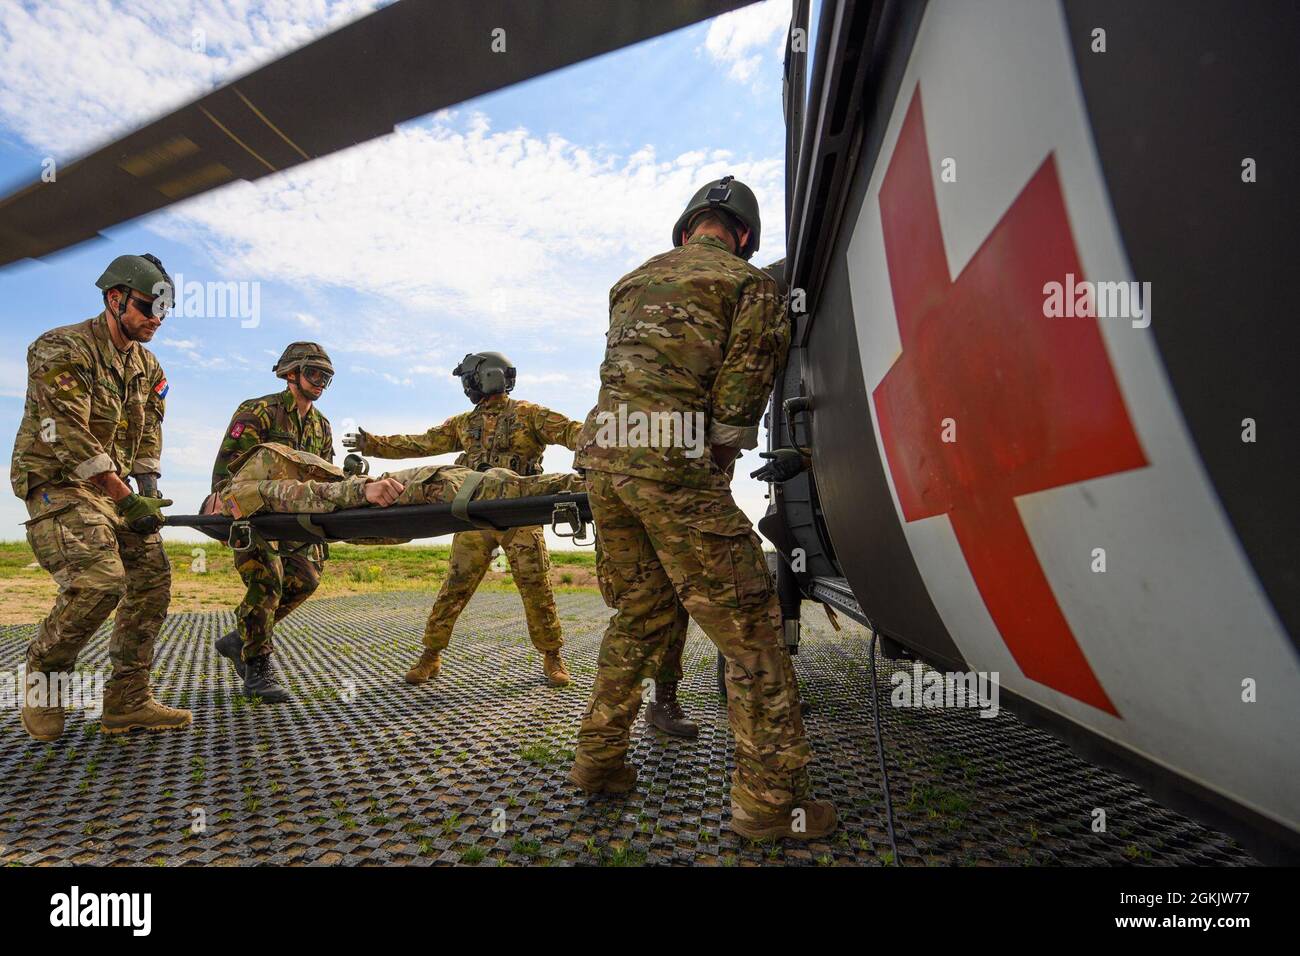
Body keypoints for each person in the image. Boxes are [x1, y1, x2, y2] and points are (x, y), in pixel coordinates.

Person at [569, 176, 836, 840]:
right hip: (670, 461)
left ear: (687, 227)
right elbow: (741, 394)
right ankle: (771, 806)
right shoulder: (751, 286)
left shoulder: (630, 281)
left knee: (640, 616)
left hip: (603, 460)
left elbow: (629, 372)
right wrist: (715, 466)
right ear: (743, 236)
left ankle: (598, 763)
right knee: (750, 631)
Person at [11, 253, 190, 740]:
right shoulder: (60, 347)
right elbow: (64, 432)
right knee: (99, 582)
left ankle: (127, 700)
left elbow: (149, 433)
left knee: (151, 579)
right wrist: (122, 494)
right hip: (59, 482)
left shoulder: (149, 366)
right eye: (149, 306)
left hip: (116, 492)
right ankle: (44, 680)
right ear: (115, 299)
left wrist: (147, 495)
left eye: (164, 310)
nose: (157, 318)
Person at [343, 352, 583, 687]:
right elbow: (422, 443)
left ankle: (552, 657)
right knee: (455, 586)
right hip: (474, 514)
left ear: (484, 378)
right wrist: (371, 443)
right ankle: (430, 655)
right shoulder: (463, 423)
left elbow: (574, 433)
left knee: (535, 586)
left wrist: (591, 457)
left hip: (520, 513)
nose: (466, 385)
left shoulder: (532, 415)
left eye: (468, 378)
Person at [209, 343, 336, 703]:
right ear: (291, 374)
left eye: (327, 377)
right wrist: (226, 511)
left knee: (306, 580)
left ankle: (240, 639)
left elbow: (324, 477)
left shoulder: (321, 426)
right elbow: (227, 470)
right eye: (314, 373)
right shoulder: (259, 411)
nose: (321, 382)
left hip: (296, 522)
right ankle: (257, 670)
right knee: (268, 581)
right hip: (253, 517)